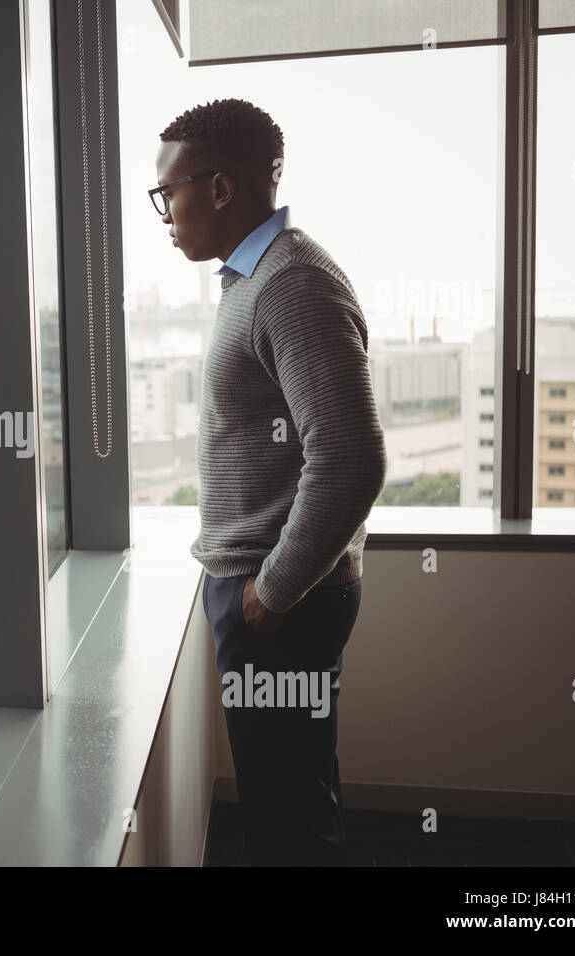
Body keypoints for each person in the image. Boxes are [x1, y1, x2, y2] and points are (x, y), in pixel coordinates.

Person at [153, 98, 387, 865]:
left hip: (282, 602)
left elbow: (350, 459)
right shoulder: (256, 280)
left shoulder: (291, 284)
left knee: (285, 810)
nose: (164, 213)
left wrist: (270, 592)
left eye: (169, 192)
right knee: (289, 788)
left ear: (219, 188)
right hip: (271, 592)